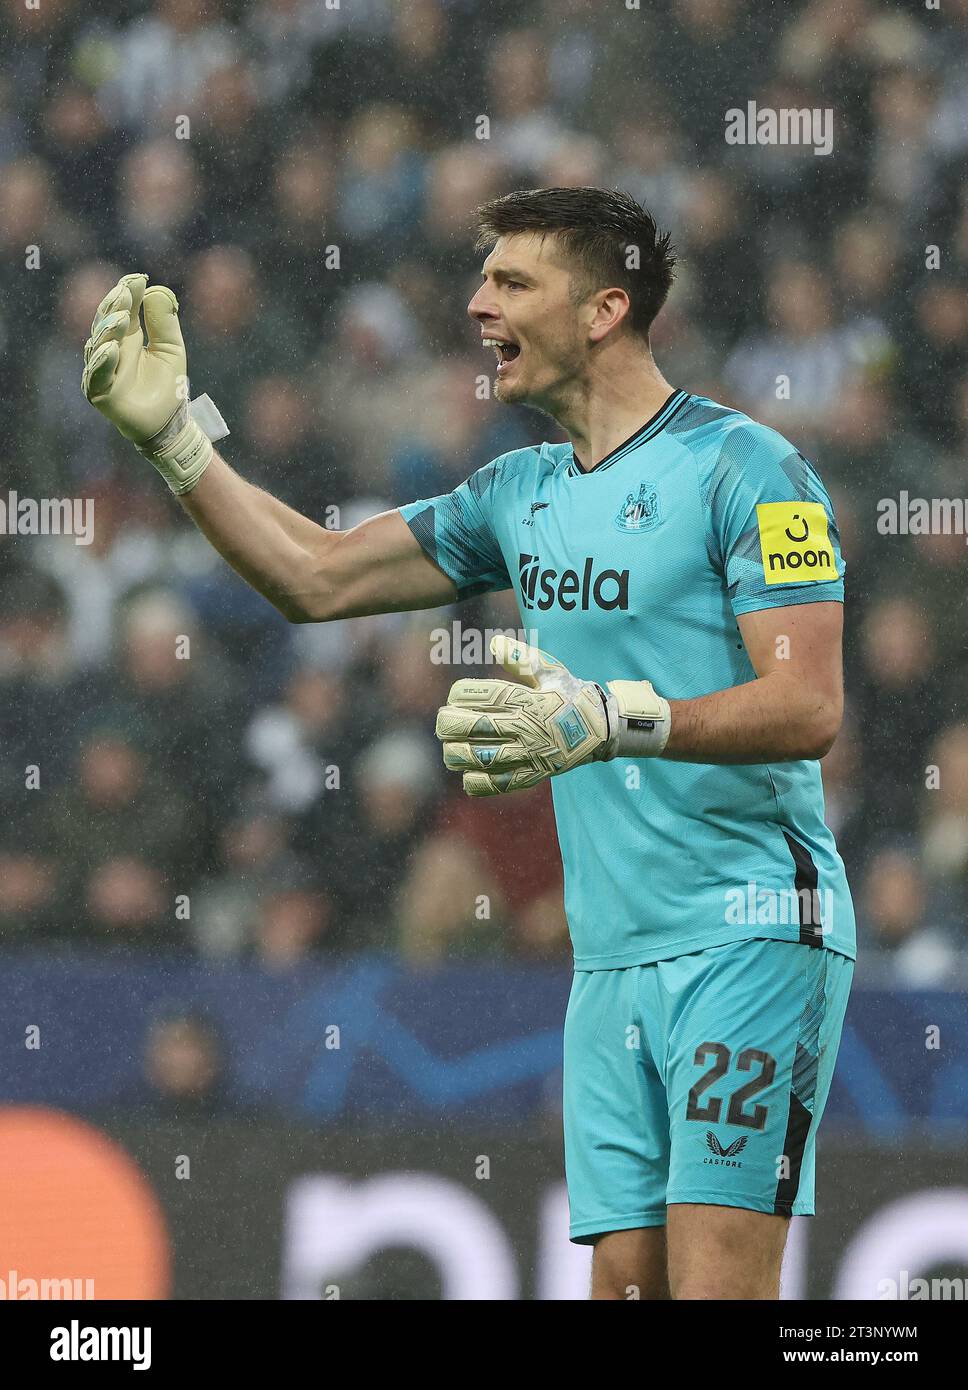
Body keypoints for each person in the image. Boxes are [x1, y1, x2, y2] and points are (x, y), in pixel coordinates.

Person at [81, 185, 855, 1301]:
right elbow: (315, 574)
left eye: (509, 281)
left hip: (745, 934)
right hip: (609, 960)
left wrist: (612, 717)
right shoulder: (517, 491)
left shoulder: (750, 470)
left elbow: (808, 703)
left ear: (601, 308)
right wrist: (175, 437)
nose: (475, 302)